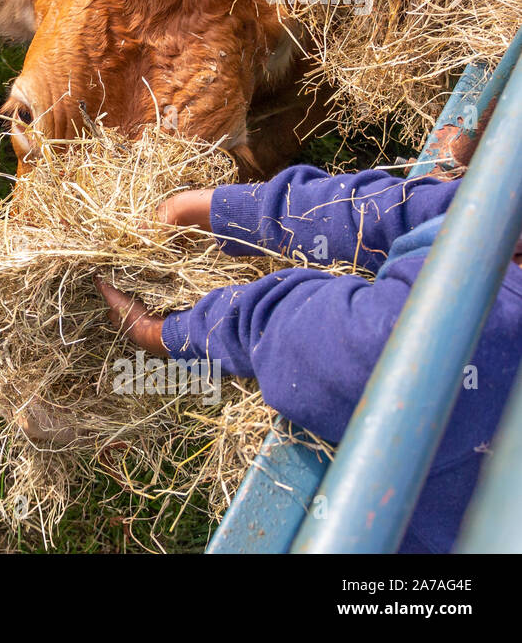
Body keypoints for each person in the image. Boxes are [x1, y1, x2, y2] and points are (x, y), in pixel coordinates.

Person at [97, 164, 522, 553]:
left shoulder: (489, 336)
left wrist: (173, 331)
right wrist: (240, 211)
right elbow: (413, 211)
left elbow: (361, 350)